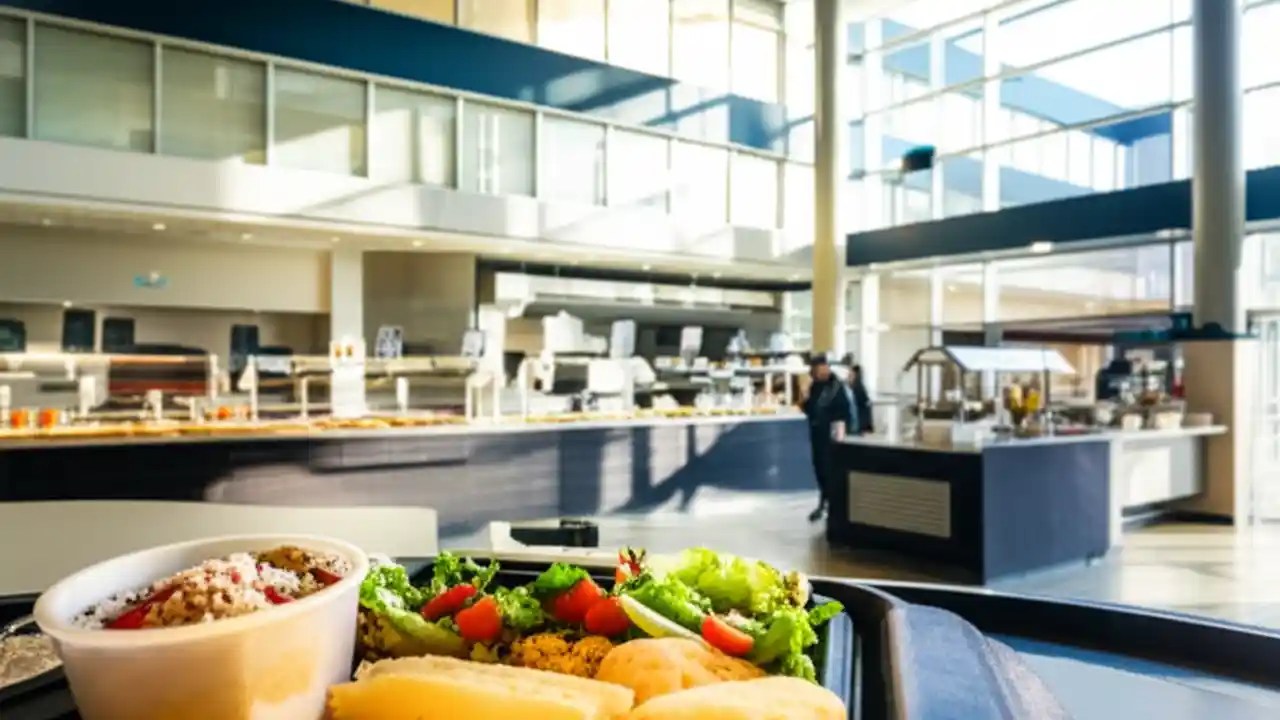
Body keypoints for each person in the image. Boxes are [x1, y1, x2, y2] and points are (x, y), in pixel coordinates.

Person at [801, 354, 857, 522]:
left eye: (823, 367)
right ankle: (824, 503)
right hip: (818, 435)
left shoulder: (835, 387)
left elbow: (843, 412)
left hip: (831, 437)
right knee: (820, 469)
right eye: (817, 369)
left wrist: (840, 434)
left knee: (830, 470)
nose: (821, 371)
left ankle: (833, 507)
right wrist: (805, 400)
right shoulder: (815, 387)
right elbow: (812, 409)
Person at [849, 364, 874, 435]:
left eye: (851, 374)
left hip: (860, 422)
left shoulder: (857, 387)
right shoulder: (860, 386)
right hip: (862, 421)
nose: (849, 376)